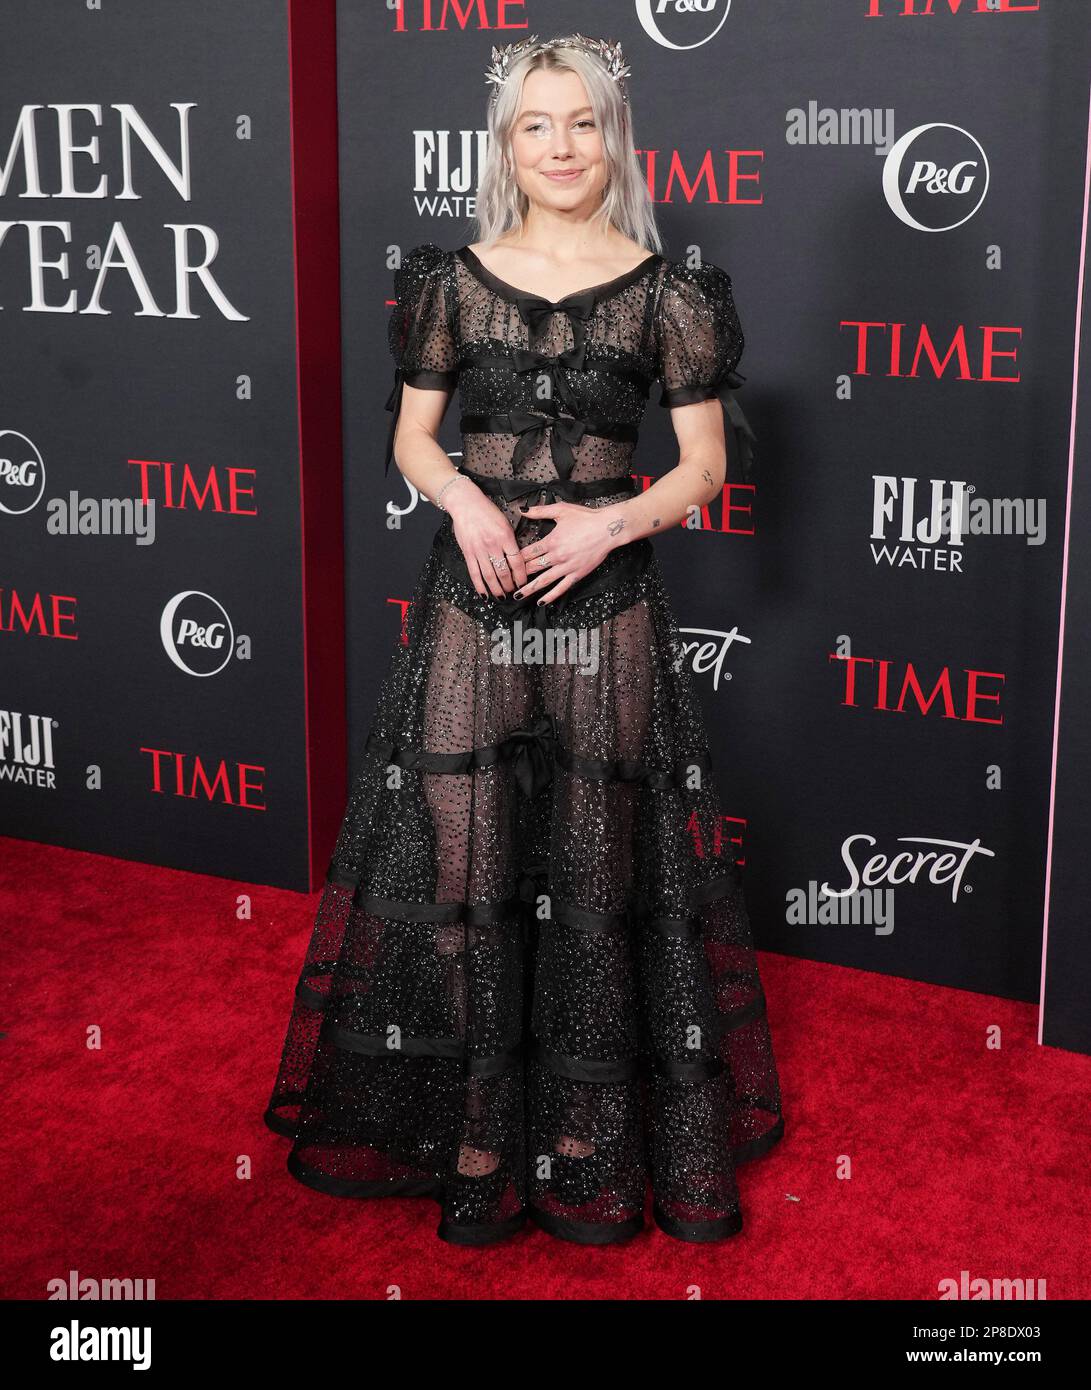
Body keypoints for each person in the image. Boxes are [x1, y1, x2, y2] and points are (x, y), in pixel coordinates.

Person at [264, 31, 784, 1247]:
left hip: (603, 613)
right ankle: (474, 1119)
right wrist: (454, 497)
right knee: (462, 867)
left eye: (582, 123)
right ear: (505, 145)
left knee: (593, 870)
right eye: (536, 126)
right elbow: (410, 439)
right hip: (470, 603)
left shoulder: (669, 291)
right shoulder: (448, 277)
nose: (560, 147)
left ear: (614, 137)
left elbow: (705, 467)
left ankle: (579, 1126)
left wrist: (611, 525)